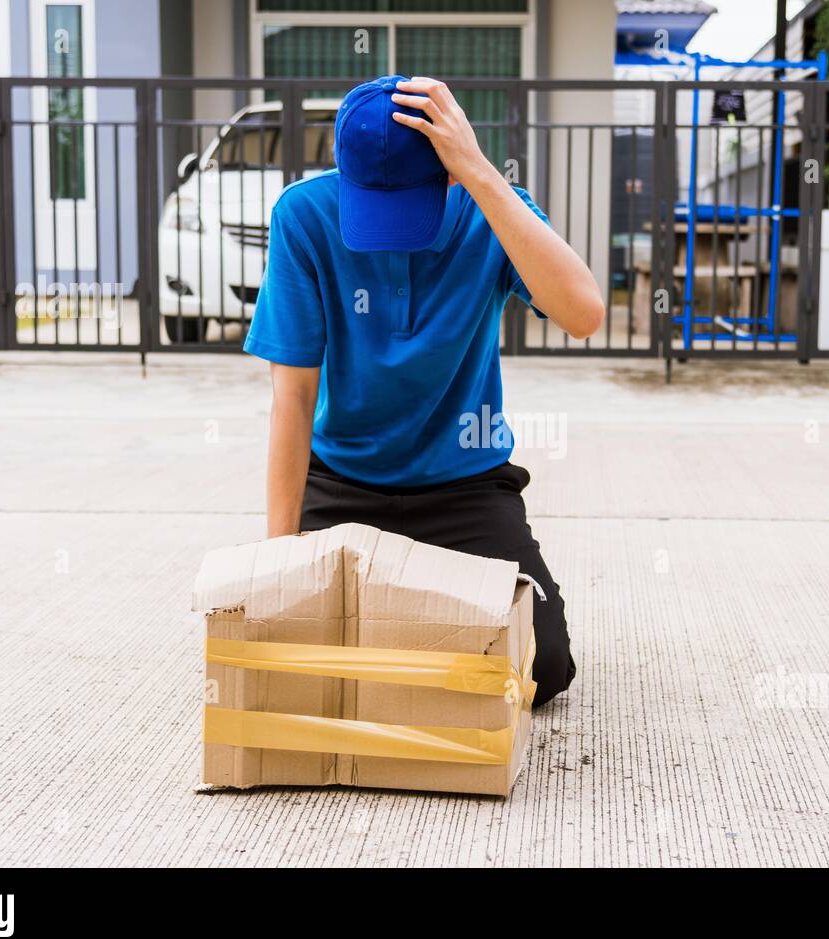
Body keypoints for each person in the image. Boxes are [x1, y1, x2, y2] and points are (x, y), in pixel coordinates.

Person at [242, 75, 604, 705]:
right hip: (341, 482)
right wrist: (280, 554)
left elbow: (583, 314)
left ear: (450, 173)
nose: (392, 231)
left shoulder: (493, 213)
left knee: (543, 667)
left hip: (463, 488)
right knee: (288, 657)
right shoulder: (303, 217)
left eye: (408, 203)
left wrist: (483, 176)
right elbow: (293, 399)